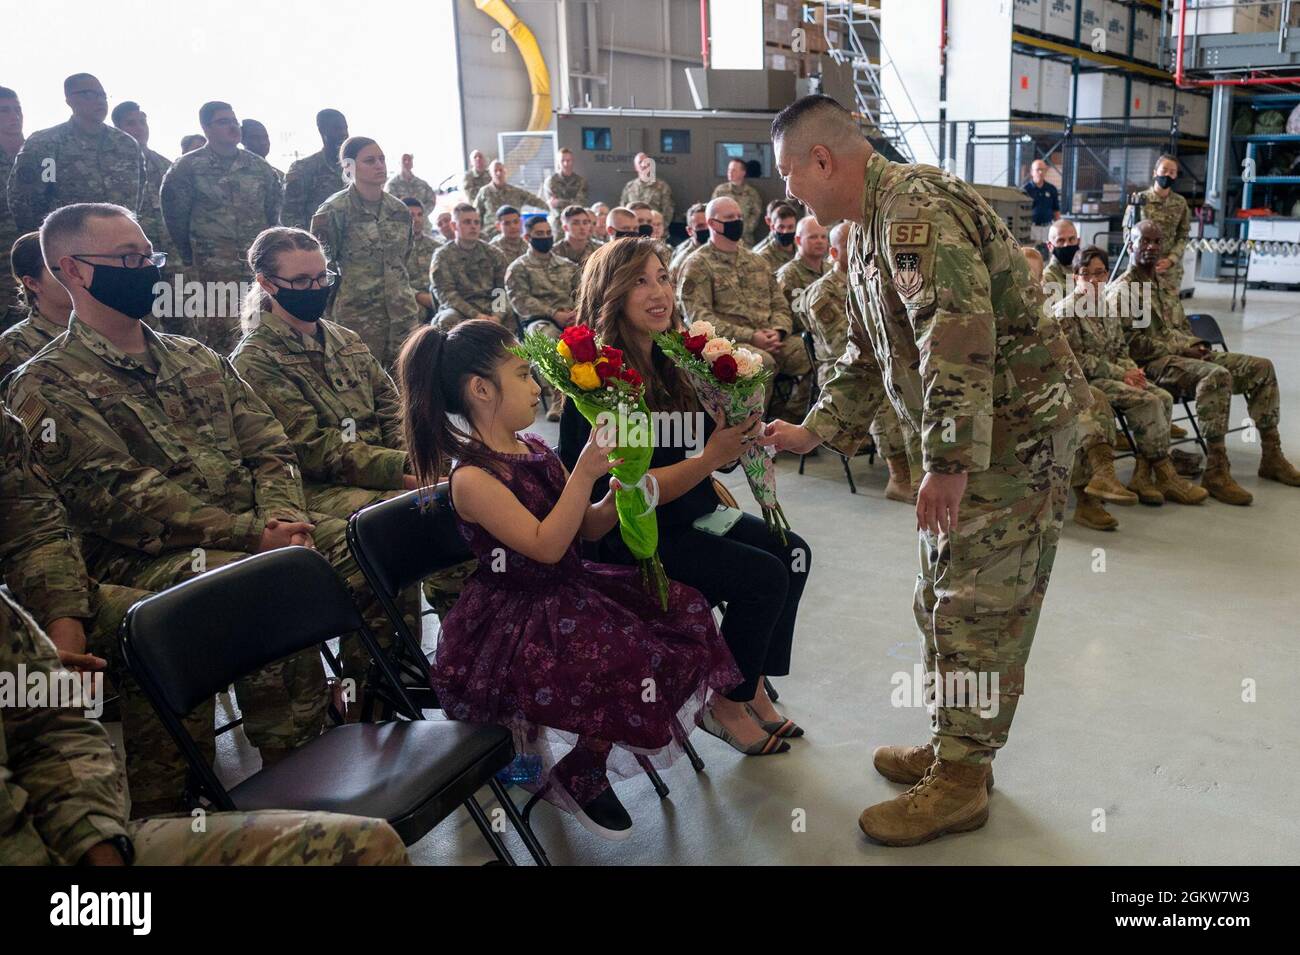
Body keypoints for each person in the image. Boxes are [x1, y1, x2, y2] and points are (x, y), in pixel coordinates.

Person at [763, 95, 1092, 846]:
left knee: (977, 609)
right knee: (941, 597)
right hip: (980, 440)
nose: (786, 193)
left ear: (823, 160)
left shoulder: (912, 214)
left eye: (789, 173)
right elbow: (870, 350)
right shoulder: (869, 226)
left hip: (1012, 443)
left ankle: (963, 780)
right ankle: (955, 749)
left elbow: (955, 335)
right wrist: (813, 430)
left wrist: (944, 462)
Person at [7, 203, 400, 808]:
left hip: (252, 533)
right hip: (142, 558)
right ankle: (182, 802)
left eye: (149, 258)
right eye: (128, 260)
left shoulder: (195, 358)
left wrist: (277, 520)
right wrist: (253, 534)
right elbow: (125, 496)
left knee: (358, 545)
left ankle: (322, 758)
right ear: (74, 271)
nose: (146, 270)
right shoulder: (47, 383)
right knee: (260, 582)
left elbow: (271, 447)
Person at [396, 318, 740, 840]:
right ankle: (539, 771)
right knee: (622, 658)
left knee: (681, 610)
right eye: (523, 375)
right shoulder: (471, 478)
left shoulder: (534, 448)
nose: (538, 387)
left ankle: (580, 764)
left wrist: (620, 490)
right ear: (481, 389)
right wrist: (582, 472)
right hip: (516, 614)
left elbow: (585, 528)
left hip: (570, 589)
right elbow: (545, 545)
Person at [559, 239, 809, 755]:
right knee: (764, 577)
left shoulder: (677, 362)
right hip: (634, 535)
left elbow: (706, 449)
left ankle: (751, 683)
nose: (659, 293)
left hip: (692, 513)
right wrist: (711, 457)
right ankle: (726, 701)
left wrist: (741, 433)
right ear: (612, 293)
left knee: (794, 550)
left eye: (663, 277)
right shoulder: (597, 382)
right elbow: (627, 493)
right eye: (640, 281)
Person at [0, 585, 410, 866]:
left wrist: (93, 837)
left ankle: (298, 782)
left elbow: (50, 730)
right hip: (138, 547)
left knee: (369, 848)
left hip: (62, 845)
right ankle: (174, 801)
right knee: (236, 604)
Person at [1110, 220, 1300, 504]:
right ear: (1130, 245)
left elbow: (1181, 329)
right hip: (1152, 367)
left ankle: (1272, 456)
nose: (1151, 247)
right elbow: (1130, 346)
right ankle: (1216, 469)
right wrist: (1183, 348)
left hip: (1183, 358)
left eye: (1156, 242)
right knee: (1217, 376)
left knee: (1262, 367)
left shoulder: (1165, 285)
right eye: (1144, 241)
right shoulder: (1123, 291)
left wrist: (1194, 345)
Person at [1055, 245, 1205, 513]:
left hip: (1113, 375)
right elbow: (1078, 362)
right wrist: (1120, 373)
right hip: (1086, 382)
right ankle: (1165, 473)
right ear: (1075, 277)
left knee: (1163, 396)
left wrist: (1133, 372)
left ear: (1107, 274)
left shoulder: (1106, 308)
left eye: (1099, 273)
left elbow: (1120, 350)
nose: (1093, 280)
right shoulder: (1066, 312)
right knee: (1148, 401)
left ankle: (1144, 473)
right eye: (1085, 274)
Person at [802, 221, 917, 502]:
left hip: (883, 358)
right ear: (833, 252)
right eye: (851, 244)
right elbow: (843, 344)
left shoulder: (869, 278)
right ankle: (899, 476)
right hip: (840, 366)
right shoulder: (823, 292)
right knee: (883, 388)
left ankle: (922, 465)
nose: (861, 248)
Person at [159, 101, 282, 351]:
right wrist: (191, 257)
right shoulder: (187, 168)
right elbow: (175, 219)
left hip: (255, 268)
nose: (232, 127)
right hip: (211, 271)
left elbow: (272, 215)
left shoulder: (259, 167)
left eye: (234, 121)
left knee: (262, 327)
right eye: (223, 121)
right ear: (206, 128)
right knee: (218, 333)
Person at [677, 195, 811, 421]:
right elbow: (700, 319)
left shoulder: (756, 261)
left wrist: (778, 330)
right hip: (727, 344)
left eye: (739, 217)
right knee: (761, 363)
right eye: (730, 218)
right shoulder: (697, 264)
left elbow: (780, 304)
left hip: (771, 338)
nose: (737, 222)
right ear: (712, 224)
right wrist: (752, 337)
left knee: (814, 350)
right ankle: (750, 438)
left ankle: (787, 420)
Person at [310, 136, 423, 370]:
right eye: (370, 160)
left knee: (407, 386)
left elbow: (404, 257)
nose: (379, 165)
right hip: (357, 318)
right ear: (349, 167)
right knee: (361, 388)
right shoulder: (333, 211)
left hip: (402, 314)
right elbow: (320, 269)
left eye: (381, 159)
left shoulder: (399, 210)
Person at [6, 74, 145, 236]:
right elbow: (26, 200)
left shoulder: (127, 145)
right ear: (70, 100)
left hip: (119, 243)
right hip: (68, 244)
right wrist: (42, 243)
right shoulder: (46, 144)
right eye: (89, 94)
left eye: (103, 96)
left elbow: (138, 195)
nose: (100, 101)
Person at [504, 214, 578, 421]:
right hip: (539, 319)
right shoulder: (518, 268)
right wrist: (554, 314)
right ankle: (558, 397)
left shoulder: (568, 265)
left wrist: (576, 313)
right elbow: (520, 301)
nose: (545, 237)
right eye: (539, 234)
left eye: (548, 233)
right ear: (527, 237)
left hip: (572, 317)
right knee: (547, 336)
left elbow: (581, 293)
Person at [0, 232, 73, 379]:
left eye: (74, 264)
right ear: (32, 283)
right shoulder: (14, 345)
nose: (75, 274)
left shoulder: (111, 321)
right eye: (58, 269)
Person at [109, 101, 173, 260]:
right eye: (131, 123)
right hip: (131, 251)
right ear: (118, 129)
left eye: (142, 122)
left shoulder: (166, 165)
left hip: (170, 253)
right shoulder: (109, 165)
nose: (140, 128)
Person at [430, 203, 508, 330]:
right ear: (454, 226)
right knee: (448, 319)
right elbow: (447, 294)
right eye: (467, 222)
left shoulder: (494, 253)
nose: (473, 226)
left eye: (476, 222)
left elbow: (501, 289)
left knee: (513, 315)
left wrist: (497, 316)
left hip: (491, 306)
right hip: (459, 309)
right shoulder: (442, 256)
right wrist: (476, 315)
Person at [282, 108, 349, 230]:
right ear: (322, 131)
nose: (343, 133)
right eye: (337, 129)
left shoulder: (355, 166)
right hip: (317, 242)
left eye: (345, 128)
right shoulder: (303, 169)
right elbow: (290, 216)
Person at [1137, 153, 1191, 295]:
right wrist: (1145, 258)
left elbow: (1183, 235)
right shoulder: (1139, 200)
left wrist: (1171, 259)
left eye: (1172, 172)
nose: (1167, 175)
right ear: (1155, 172)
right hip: (1144, 267)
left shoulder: (1180, 203)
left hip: (1170, 272)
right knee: (1142, 313)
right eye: (1164, 170)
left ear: (1175, 177)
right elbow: (1128, 232)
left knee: (1169, 314)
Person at [474, 161, 546, 239]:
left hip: (514, 234)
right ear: (490, 174)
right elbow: (476, 214)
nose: (499, 173)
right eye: (495, 171)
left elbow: (536, 201)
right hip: (491, 235)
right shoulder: (484, 192)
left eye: (501, 170)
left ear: (505, 172)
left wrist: (551, 208)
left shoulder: (516, 192)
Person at [0, 87, 23, 329]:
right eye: (4, 110)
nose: (14, 116)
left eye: (17, 109)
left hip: (41, 264)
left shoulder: (39, 154)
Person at [775, 214, 829, 316]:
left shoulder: (830, 269)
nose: (820, 241)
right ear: (798, 240)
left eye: (823, 237)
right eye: (813, 237)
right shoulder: (787, 275)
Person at [712, 158, 764, 246]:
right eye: (729, 170)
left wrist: (741, 229)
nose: (730, 173)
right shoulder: (720, 191)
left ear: (743, 173)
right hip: (722, 238)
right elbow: (712, 212)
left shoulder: (752, 193)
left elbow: (755, 215)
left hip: (745, 240)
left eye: (734, 170)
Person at [402, 198, 439, 320]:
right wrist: (418, 295)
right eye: (411, 215)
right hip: (408, 299)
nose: (416, 219)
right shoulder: (395, 249)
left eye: (419, 215)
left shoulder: (437, 248)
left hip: (439, 298)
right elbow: (394, 281)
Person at [619, 152, 674, 226]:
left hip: (654, 232)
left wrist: (658, 229)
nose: (644, 164)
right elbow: (623, 210)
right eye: (640, 162)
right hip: (633, 231)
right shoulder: (629, 187)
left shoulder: (662, 187)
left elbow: (668, 213)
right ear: (636, 167)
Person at [385, 153, 438, 226]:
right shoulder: (392, 184)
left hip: (423, 226)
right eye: (404, 160)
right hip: (401, 225)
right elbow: (388, 203)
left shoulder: (422, 184)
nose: (407, 162)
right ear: (399, 163)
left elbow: (432, 200)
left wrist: (421, 214)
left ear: (412, 164)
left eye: (409, 160)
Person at [543, 147, 587, 233]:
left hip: (576, 223)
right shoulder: (551, 181)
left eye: (568, 160)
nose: (566, 163)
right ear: (558, 162)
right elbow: (552, 204)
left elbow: (579, 204)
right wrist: (571, 201)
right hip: (557, 224)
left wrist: (559, 202)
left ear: (573, 161)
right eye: (563, 160)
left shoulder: (581, 181)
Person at [1022, 158, 1060, 247]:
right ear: (1032, 172)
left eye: (1043, 169)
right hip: (1031, 228)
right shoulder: (1025, 190)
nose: (1040, 172)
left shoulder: (1051, 189)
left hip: (1048, 228)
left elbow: (1056, 211)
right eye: (1038, 169)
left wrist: (1059, 227)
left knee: (1047, 252)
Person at [669, 202, 709, 286]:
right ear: (689, 231)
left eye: (709, 224)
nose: (707, 229)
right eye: (700, 226)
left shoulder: (722, 248)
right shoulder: (682, 261)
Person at [753, 201, 799, 271]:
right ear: (772, 227)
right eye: (781, 227)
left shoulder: (803, 251)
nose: (786, 231)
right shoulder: (762, 258)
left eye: (790, 227)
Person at [1042, 217, 1079, 296]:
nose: (1067, 244)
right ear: (1050, 246)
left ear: (1078, 241)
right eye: (1061, 240)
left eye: (1071, 239)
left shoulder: (1084, 271)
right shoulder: (1048, 278)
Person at [552, 203, 597, 267]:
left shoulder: (599, 250)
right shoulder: (554, 253)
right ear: (565, 227)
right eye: (576, 223)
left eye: (585, 222)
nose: (582, 227)